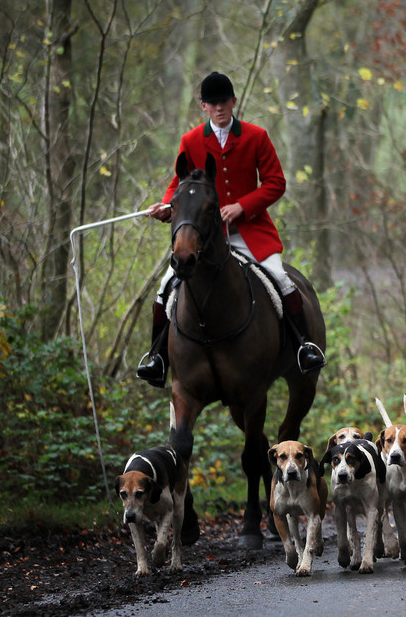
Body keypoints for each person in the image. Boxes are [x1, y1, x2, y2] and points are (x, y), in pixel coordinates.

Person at [135, 71, 327, 387]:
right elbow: (179, 182)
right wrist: (167, 204)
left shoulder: (256, 136)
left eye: (224, 102)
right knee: (165, 288)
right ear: (203, 106)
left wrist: (242, 206)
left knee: (281, 279)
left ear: (233, 102)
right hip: (204, 240)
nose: (219, 108)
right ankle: (156, 357)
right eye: (212, 103)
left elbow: (276, 182)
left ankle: (304, 346)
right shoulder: (191, 141)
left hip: (250, 233)